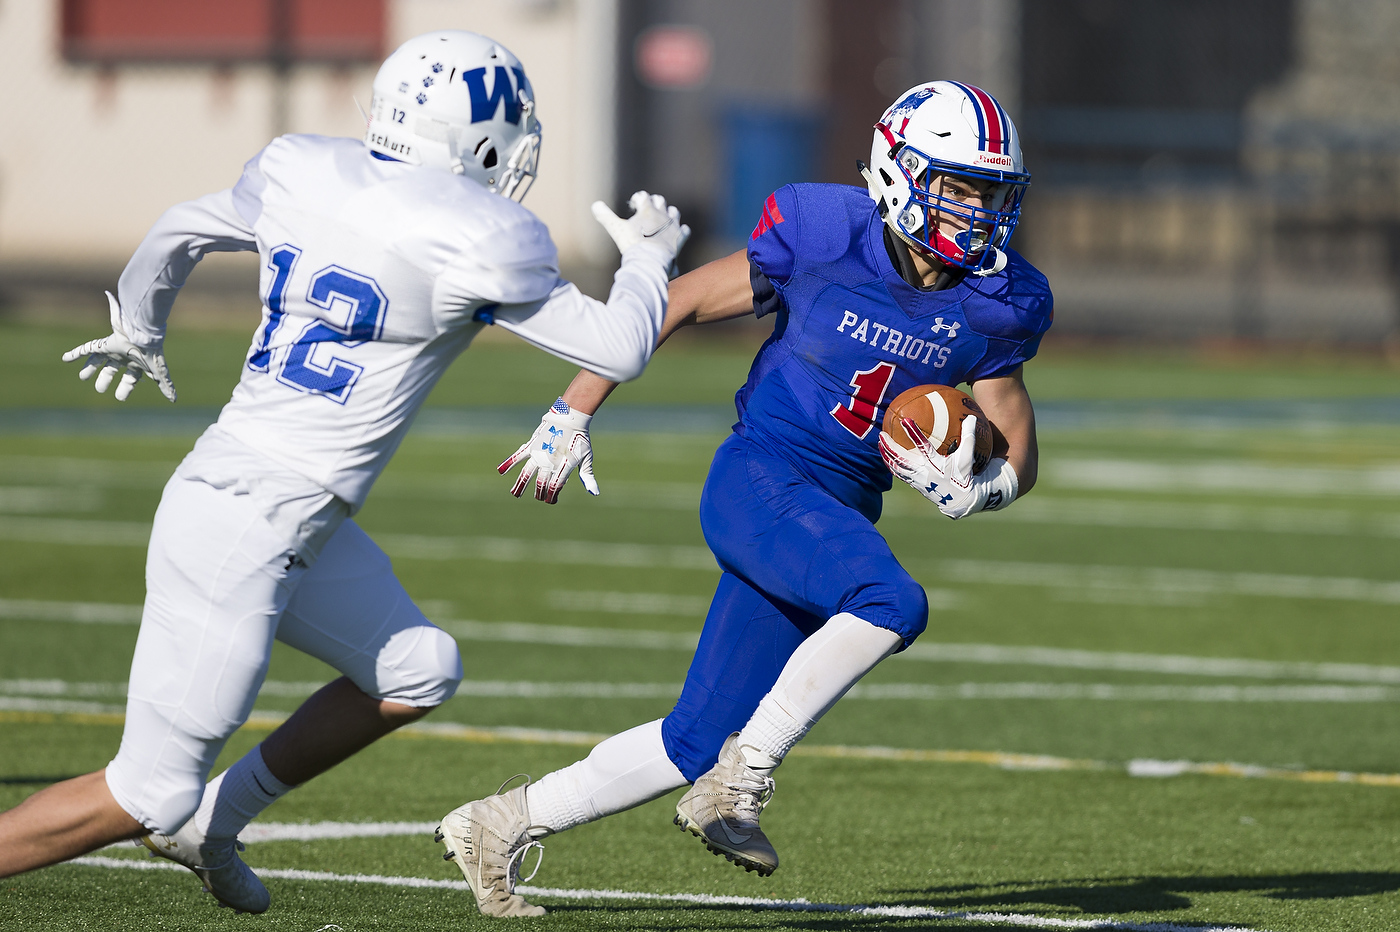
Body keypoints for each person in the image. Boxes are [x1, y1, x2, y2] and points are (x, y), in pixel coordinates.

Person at [0, 30, 689, 916]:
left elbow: (180, 227)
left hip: (276, 509)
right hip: (249, 522)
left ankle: (210, 827)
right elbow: (622, 346)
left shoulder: (302, 169)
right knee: (145, 790)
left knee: (417, 670)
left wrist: (140, 325)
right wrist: (647, 262)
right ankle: (177, 818)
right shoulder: (480, 230)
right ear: (472, 137)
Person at [439, 80, 1053, 918]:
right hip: (761, 477)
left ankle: (496, 825)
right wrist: (571, 408)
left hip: (837, 509)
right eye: (959, 188)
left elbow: (1016, 448)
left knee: (691, 738)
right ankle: (741, 784)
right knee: (890, 600)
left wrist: (980, 491)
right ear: (899, 171)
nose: (979, 212)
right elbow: (681, 299)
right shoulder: (825, 232)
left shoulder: (999, 302)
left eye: (991, 194)